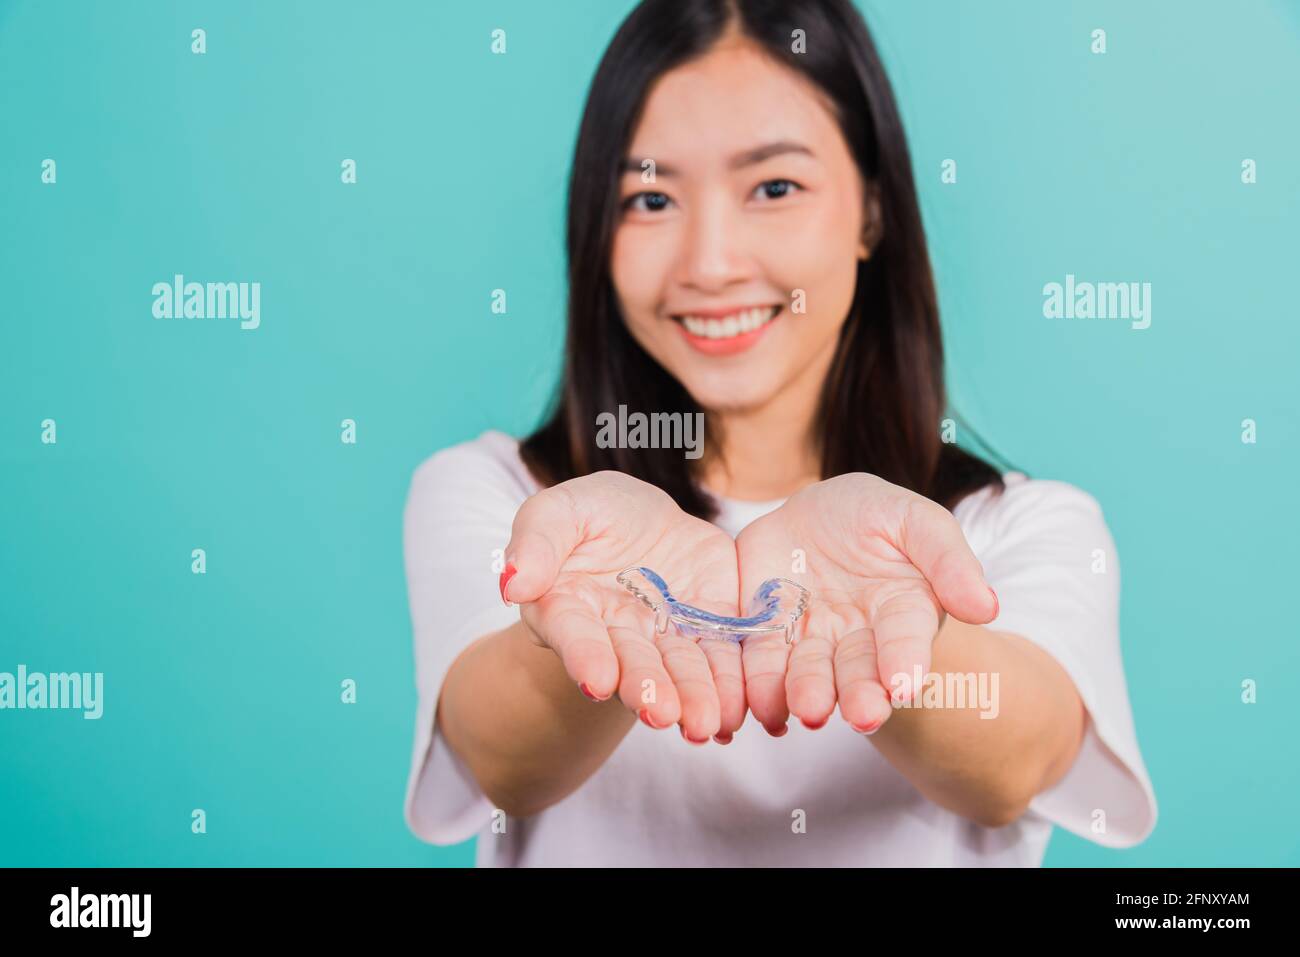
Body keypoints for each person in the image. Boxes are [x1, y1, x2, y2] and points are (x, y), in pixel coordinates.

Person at [402, 0, 1157, 866]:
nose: (711, 262)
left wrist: (902, 621)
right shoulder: (504, 501)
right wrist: (583, 614)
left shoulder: (1015, 526)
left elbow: (1015, 763)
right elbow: (501, 758)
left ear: (873, 209)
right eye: (649, 198)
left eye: (773, 187)